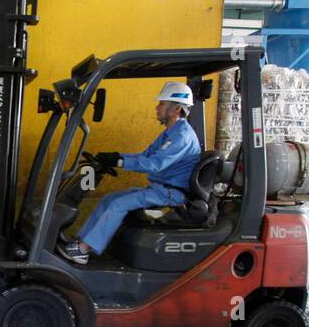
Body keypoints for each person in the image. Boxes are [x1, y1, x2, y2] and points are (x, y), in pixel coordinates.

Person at [57, 81, 202, 265]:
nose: (157, 107)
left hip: (171, 194)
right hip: (160, 189)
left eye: (162, 104)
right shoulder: (170, 133)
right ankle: (81, 244)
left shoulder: (182, 136)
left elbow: (153, 165)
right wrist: (116, 156)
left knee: (118, 204)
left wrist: (119, 162)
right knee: (109, 199)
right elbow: (144, 155)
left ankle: (83, 250)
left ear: (175, 109)